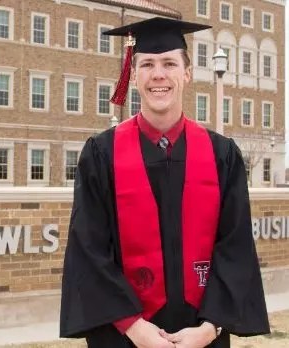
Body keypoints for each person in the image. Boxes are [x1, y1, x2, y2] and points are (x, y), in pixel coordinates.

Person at [59, 16, 270, 348]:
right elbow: (88, 249)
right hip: (123, 335)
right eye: (147, 64)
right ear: (134, 73)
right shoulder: (101, 154)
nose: (159, 74)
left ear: (187, 74)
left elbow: (236, 247)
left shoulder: (222, 155)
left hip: (201, 335)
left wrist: (209, 329)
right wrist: (135, 329)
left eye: (170, 63)